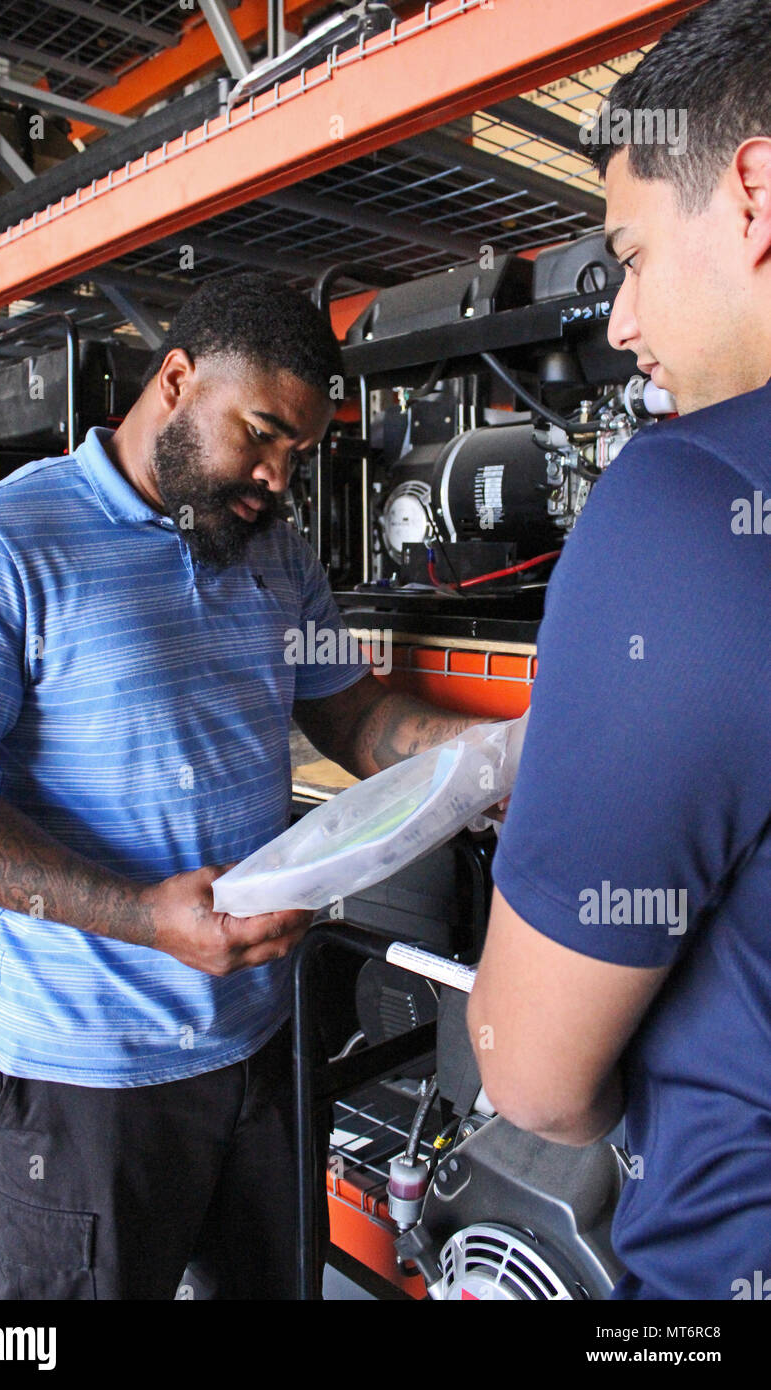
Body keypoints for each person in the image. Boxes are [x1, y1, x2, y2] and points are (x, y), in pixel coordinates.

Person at [0, 272, 487, 1299]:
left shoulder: (273, 550)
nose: (274, 477)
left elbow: (352, 715)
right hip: (89, 1080)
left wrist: (492, 762)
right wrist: (141, 916)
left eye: (297, 454)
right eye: (258, 434)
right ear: (174, 380)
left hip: (261, 1047)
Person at [468, 0, 771, 1300]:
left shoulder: (683, 503)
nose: (620, 323)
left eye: (631, 255)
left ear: (754, 193)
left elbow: (527, 1072)